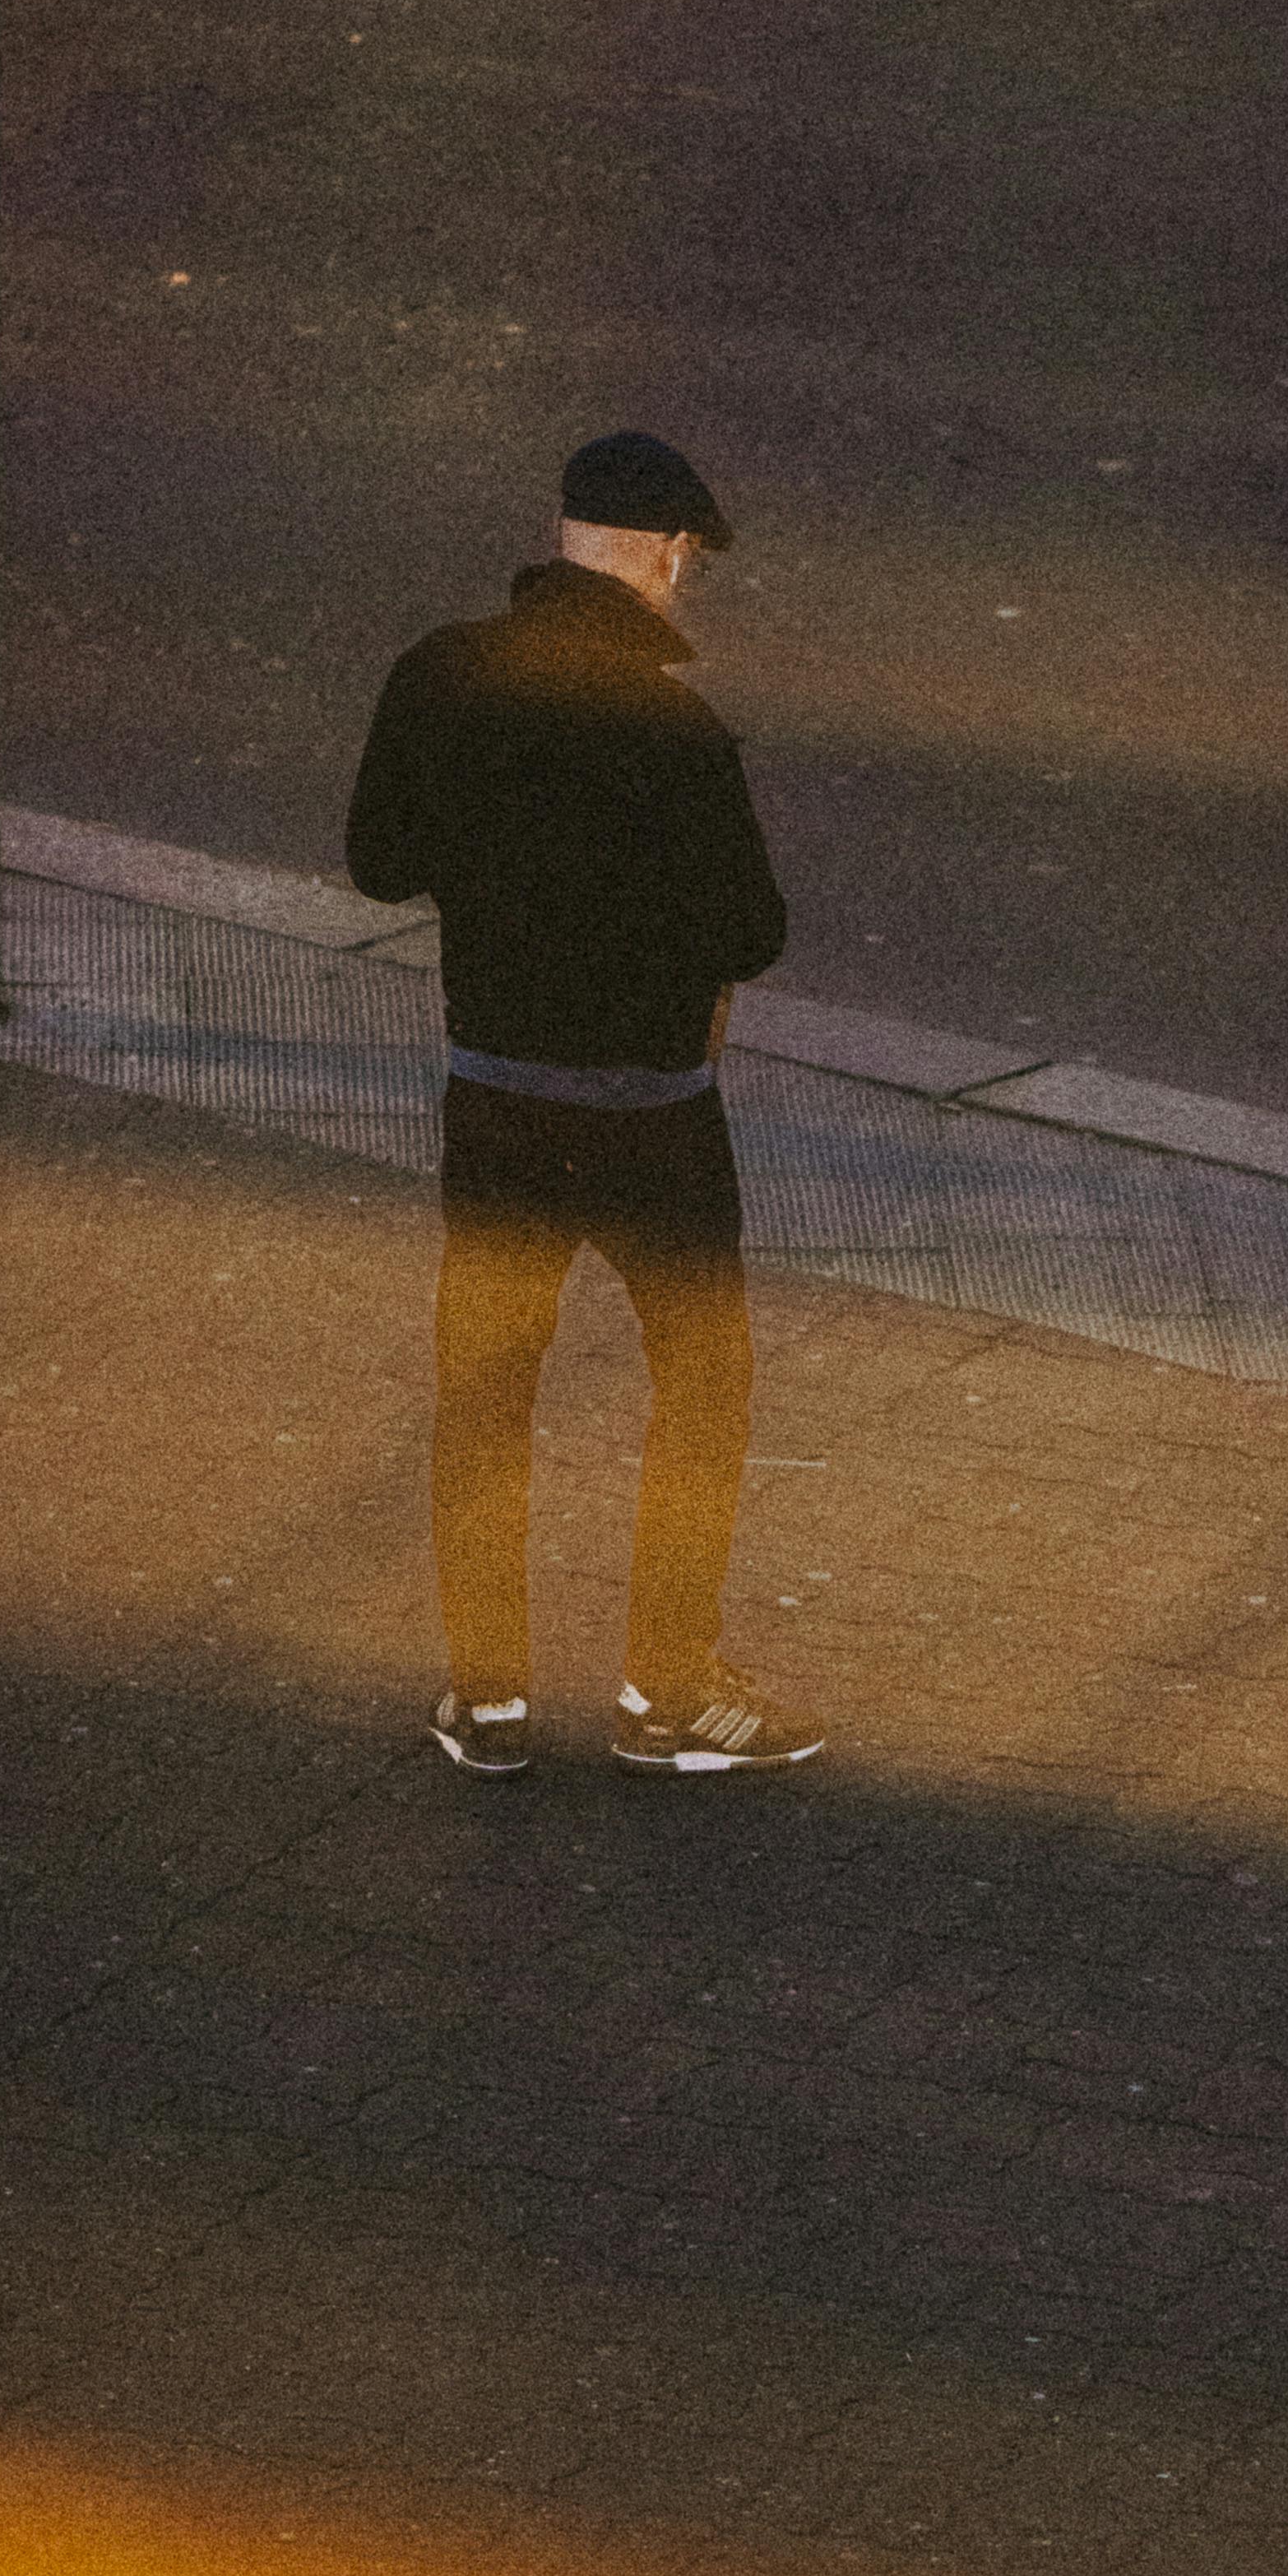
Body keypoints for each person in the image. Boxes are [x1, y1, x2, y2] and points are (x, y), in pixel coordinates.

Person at [345, 431, 822, 1780]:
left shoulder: (441, 676)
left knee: (487, 1392)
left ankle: (489, 1696)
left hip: (497, 1098)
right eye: (688, 562)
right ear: (664, 554)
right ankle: (665, 1690)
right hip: (656, 1118)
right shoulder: (678, 732)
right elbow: (752, 931)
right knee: (703, 1389)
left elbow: (381, 861)